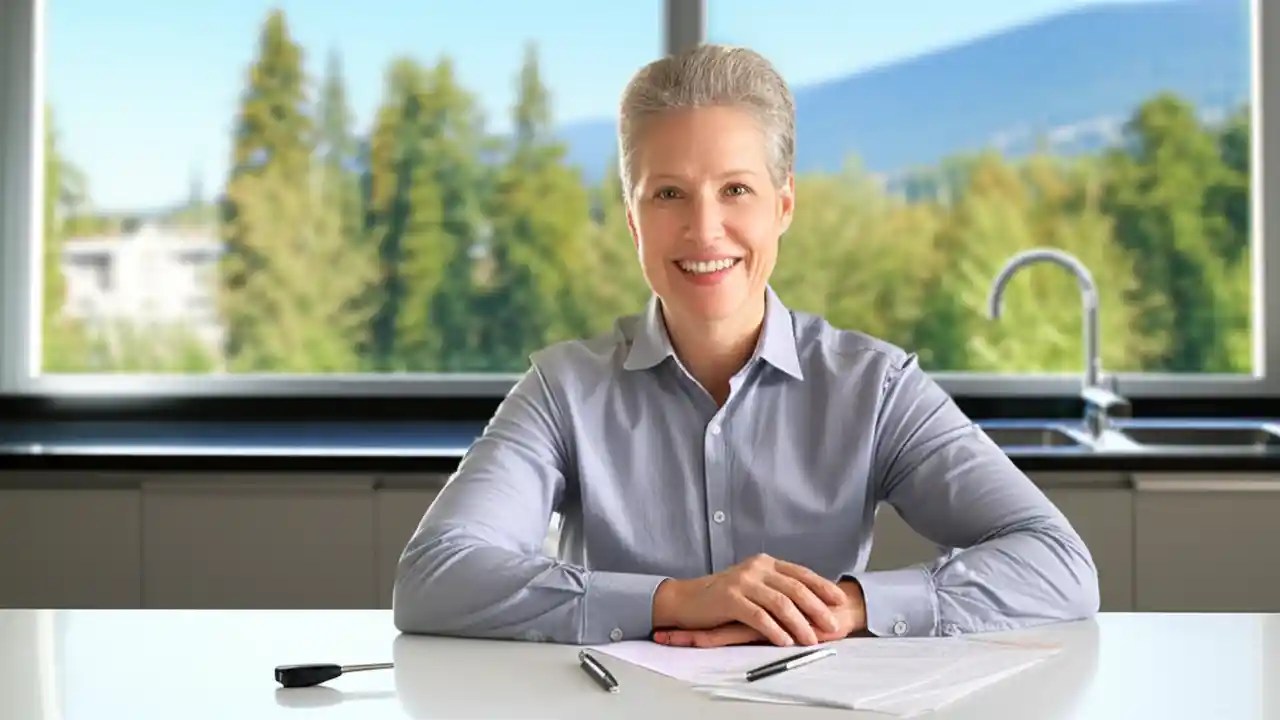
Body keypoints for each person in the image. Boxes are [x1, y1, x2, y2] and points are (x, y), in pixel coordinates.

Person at [392, 44, 1099, 649]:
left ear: (782, 206)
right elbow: (434, 577)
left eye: (735, 189)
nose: (705, 230)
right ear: (633, 220)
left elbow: (1059, 563)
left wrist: (848, 609)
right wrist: (673, 600)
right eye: (668, 194)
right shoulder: (563, 391)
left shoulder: (875, 387)